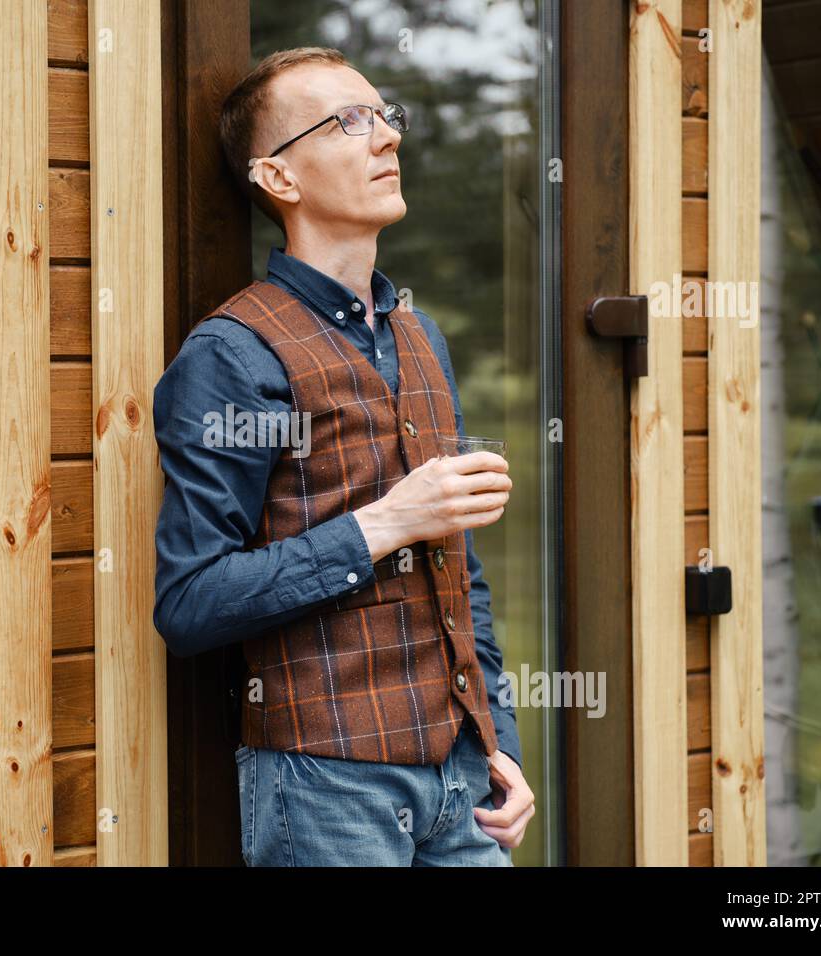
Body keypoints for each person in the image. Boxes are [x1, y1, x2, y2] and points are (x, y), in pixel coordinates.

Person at [152, 46, 535, 866]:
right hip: (324, 785)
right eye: (349, 121)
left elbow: (459, 571)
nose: (388, 137)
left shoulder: (419, 335)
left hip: (461, 783)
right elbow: (190, 600)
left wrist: (498, 740)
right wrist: (387, 522)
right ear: (279, 180)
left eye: (386, 114)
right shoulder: (232, 353)